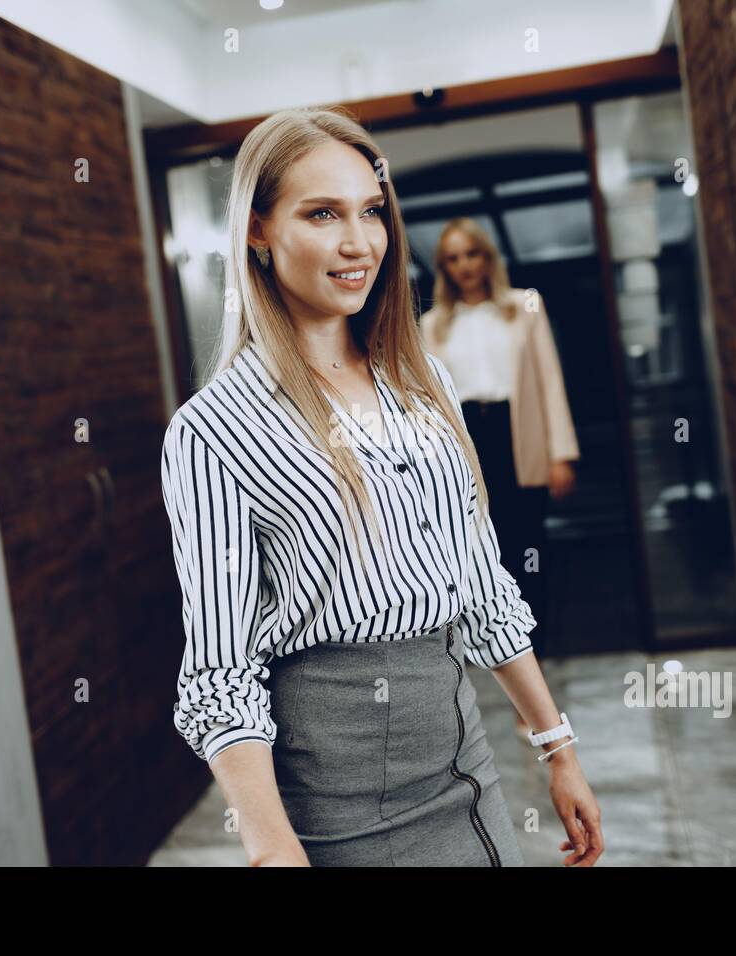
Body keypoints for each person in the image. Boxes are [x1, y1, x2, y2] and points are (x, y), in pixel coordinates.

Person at [160, 106, 602, 867]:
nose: (358, 242)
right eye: (322, 213)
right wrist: (273, 851)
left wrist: (556, 744)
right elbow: (219, 674)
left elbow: (481, 584)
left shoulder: (423, 380)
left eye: (371, 211)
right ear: (258, 231)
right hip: (340, 796)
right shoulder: (213, 430)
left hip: (466, 762)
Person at [419, 219, 580, 689]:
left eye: (471, 253)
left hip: (518, 436)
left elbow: (550, 381)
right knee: (470, 555)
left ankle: (535, 663)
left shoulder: (524, 306)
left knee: (528, 550)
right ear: (443, 267)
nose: (464, 265)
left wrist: (560, 453)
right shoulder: (431, 326)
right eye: (452, 257)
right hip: (464, 444)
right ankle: (487, 663)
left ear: (487, 257)